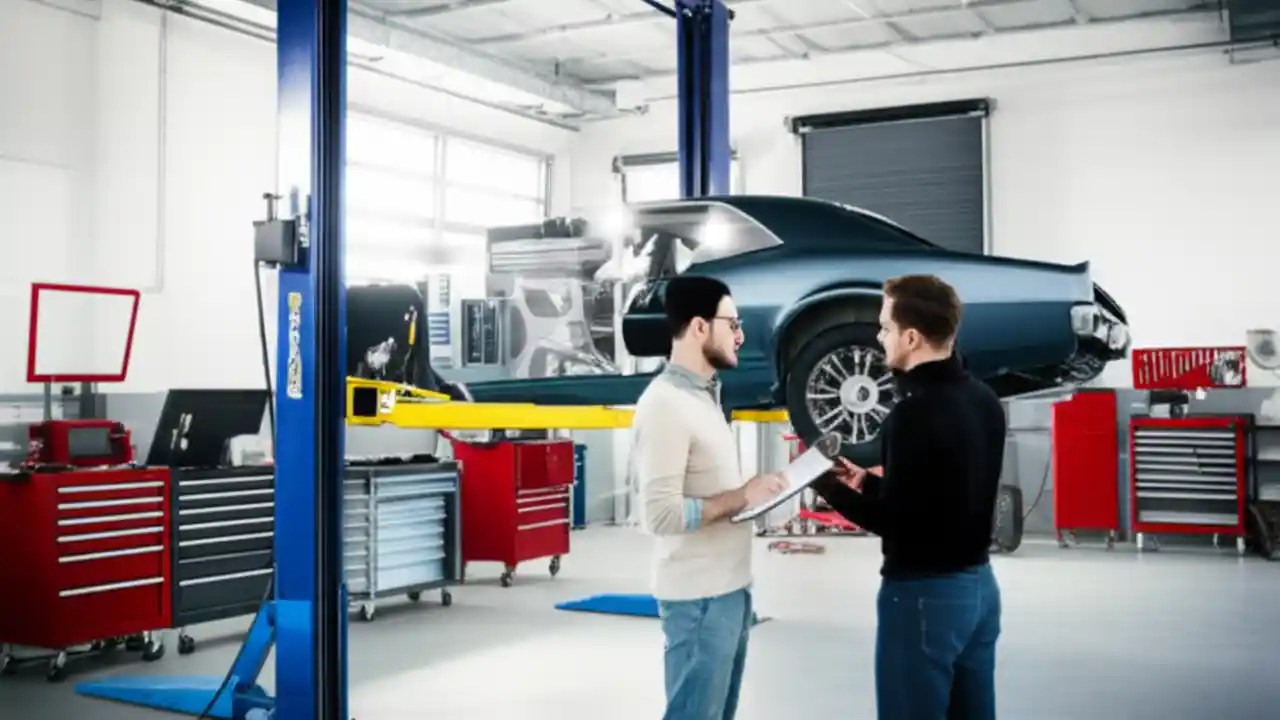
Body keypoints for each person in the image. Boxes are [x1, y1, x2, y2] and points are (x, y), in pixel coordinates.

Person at [812, 274, 1007, 720]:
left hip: (923, 598)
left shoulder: (912, 414)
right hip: (979, 591)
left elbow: (898, 521)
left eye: (885, 328)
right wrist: (866, 481)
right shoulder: (983, 400)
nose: (880, 338)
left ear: (912, 337)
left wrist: (824, 485)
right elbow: (944, 497)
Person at [631, 274, 788, 720]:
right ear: (700, 327)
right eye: (732, 324)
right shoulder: (664, 404)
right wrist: (741, 497)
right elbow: (660, 515)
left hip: (730, 590)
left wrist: (756, 495)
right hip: (698, 599)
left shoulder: (704, 398)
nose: (740, 335)